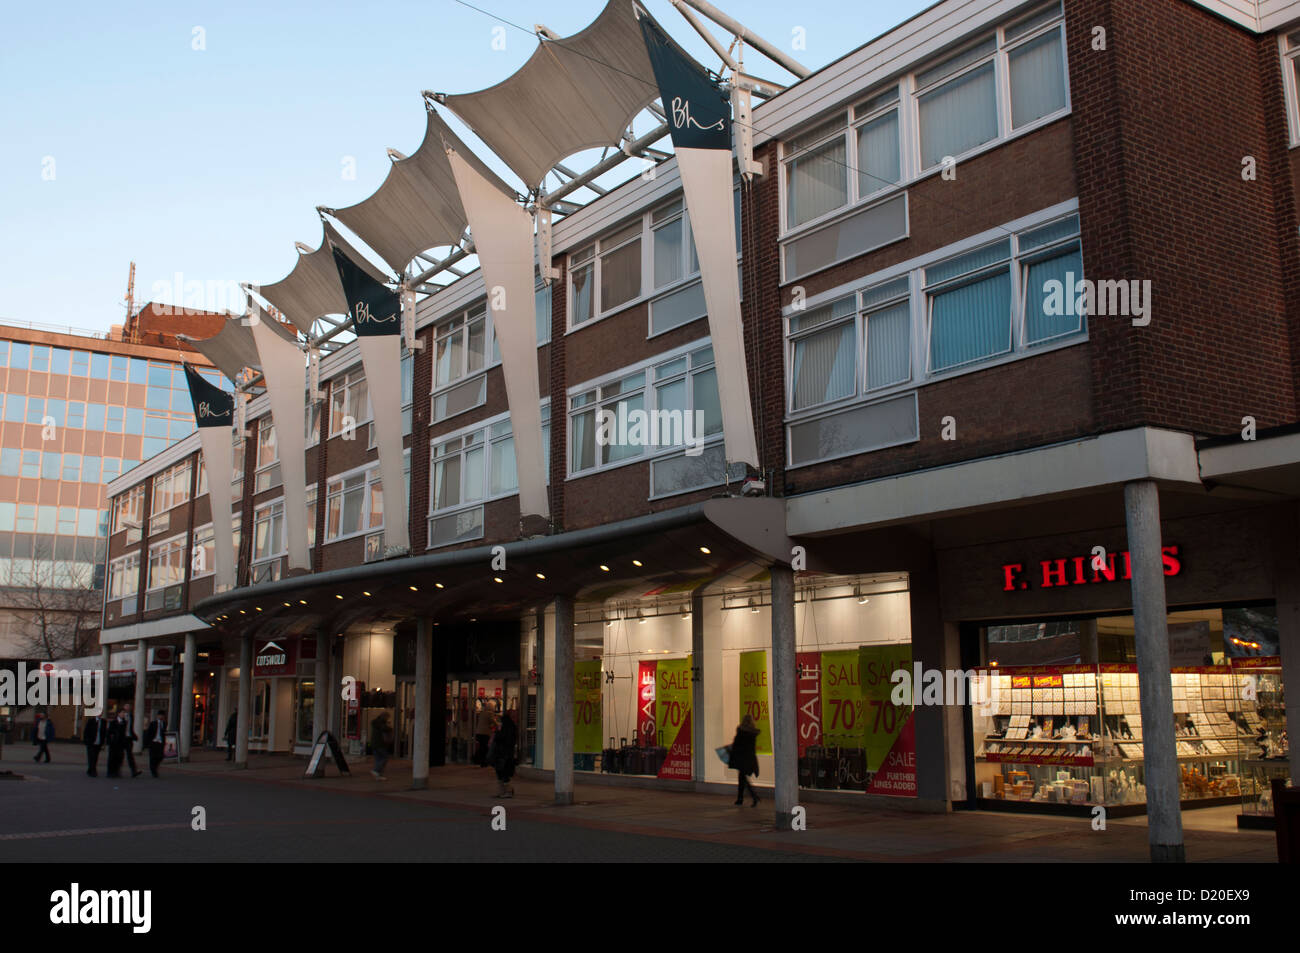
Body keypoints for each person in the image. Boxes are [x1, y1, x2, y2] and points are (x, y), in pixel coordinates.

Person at [729, 714, 761, 807]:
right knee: (743, 778)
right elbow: (752, 748)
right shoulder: (753, 733)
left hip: (741, 758)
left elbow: (736, 745)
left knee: (742, 778)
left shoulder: (741, 731)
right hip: (749, 758)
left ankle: (747, 797)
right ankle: (746, 798)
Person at [488, 712, 518, 798]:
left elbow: (500, 738)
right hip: (506, 754)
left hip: (502, 754)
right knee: (503, 772)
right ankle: (503, 790)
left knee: (502, 772)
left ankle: (505, 791)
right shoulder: (511, 727)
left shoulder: (505, 728)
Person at [118, 704, 142, 778]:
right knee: (120, 755)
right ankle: (118, 770)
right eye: (126, 707)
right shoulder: (121, 716)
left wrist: (134, 736)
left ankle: (134, 771)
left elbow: (130, 728)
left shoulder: (131, 716)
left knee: (130, 755)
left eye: (129, 707)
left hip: (129, 738)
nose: (127, 709)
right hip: (122, 738)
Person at [83, 710, 109, 777]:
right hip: (91, 742)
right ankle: (93, 771)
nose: (99, 714)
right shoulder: (91, 721)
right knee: (91, 757)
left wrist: (103, 742)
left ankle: (90, 769)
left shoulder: (103, 722)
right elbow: (86, 731)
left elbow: (104, 732)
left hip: (98, 742)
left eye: (101, 712)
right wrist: (86, 740)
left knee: (95, 757)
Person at [369, 712, 393, 780]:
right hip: (380, 744)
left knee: (378, 759)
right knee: (384, 757)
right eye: (388, 717)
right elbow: (385, 729)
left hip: (374, 744)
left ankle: (378, 775)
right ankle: (376, 771)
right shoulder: (381, 723)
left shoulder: (376, 722)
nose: (388, 719)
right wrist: (390, 728)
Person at [144, 710, 167, 778]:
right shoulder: (153, 723)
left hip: (160, 742)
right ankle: (153, 770)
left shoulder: (164, 723)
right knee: (152, 757)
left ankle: (155, 767)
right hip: (153, 742)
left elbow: (164, 733)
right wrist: (147, 743)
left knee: (160, 756)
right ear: (157, 716)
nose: (161, 717)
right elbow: (149, 733)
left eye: (162, 715)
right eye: (160, 715)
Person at [106, 707, 125, 777]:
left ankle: (117, 771)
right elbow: (109, 732)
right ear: (118, 714)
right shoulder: (113, 722)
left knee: (119, 758)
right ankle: (110, 772)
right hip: (114, 743)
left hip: (120, 743)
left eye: (124, 713)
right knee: (112, 758)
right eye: (122, 713)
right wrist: (109, 741)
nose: (123, 714)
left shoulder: (124, 722)